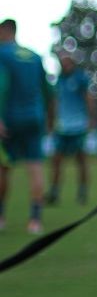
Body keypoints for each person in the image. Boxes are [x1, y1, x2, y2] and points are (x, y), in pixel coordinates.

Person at [0, 19, 55, 234]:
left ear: (5, 31)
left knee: (4, 168)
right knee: (36, 167)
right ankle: (35, 221)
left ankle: (1, 216)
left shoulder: (2, 54)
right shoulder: (34, 56)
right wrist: (50, 119)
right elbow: (48, 91)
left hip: (9, 120)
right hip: (34, 118)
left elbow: (2, 85)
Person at [46, 51, 97, 206]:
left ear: (73, 63)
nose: (64, 65)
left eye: (67, 62)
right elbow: (54, 102)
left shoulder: (81, 78)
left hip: (79, 127)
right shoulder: (59, 80)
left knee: (81, 160)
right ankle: (54, 192)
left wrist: (91, 119)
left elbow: (89, 98)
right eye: (62, 62)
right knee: (56, 161)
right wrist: (51, 121)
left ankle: (82, 192)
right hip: (62, 128)